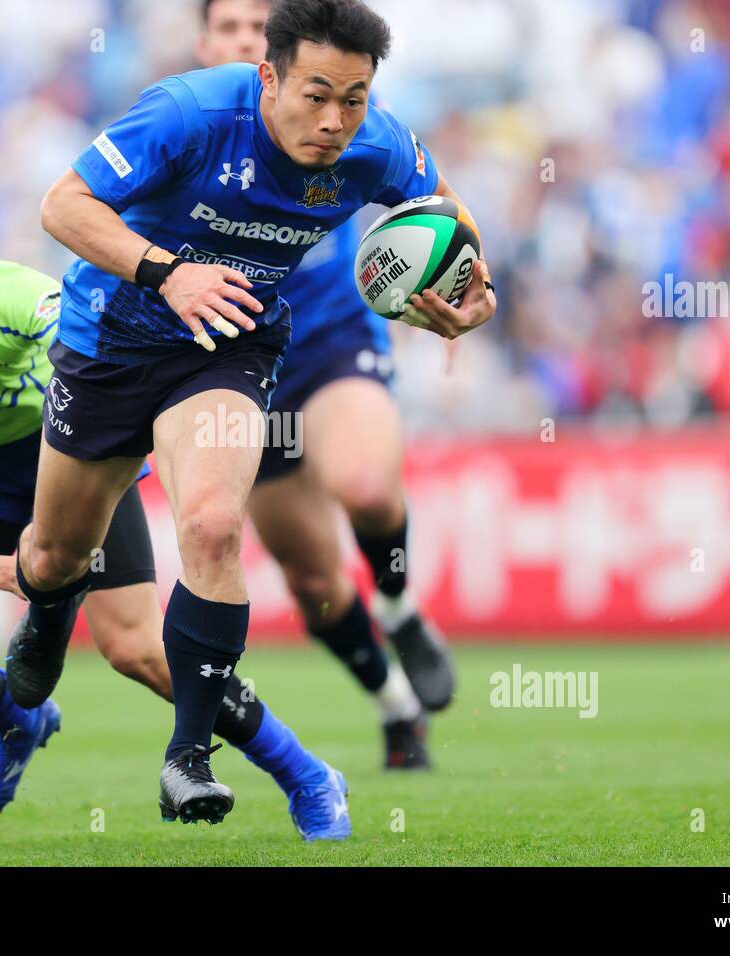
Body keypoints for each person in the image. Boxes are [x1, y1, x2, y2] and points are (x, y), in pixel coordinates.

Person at [12, 0, 496, 825]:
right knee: (57, 553)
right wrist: (167, 272)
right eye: (316, 95)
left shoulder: (376, 142)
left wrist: (472, 291)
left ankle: (187, 759)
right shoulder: (189, 112)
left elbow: (448, 212)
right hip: (110, 344)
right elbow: (62, 206)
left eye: (354, 98)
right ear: (267, 77)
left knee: (209, 524)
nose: (336, 121)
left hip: (231, 343)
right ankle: (50, 606)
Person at [0, 184, 354, 839]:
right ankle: (17, 722)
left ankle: (307, 775)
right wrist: (16, 574)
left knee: (142, 653)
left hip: (71, 458)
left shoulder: (8, 299)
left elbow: (110, 358)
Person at [196, 0, 455, 773]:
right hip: (237, 368)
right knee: (311, 579)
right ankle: (395, 707)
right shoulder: (181, 127)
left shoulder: (343, 119)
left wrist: (467, 284)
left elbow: (434, 206)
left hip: (335, 338)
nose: (246, 41)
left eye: (257, 27)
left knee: (368, 488)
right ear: (206, 44)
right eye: (230, 29)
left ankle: (402, 610)